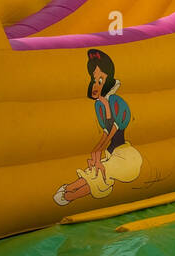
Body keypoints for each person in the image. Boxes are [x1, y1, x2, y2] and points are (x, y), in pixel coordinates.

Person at [53, 48, 143, 205]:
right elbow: (105, 133)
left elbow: (112, 133)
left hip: (127, 157)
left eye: (100, 80)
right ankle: (67, 195)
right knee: (99, 176)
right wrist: (96, 155)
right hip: (112, 156)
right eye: (94, 80)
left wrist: (97, 155)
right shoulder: (99, 106)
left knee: (99, 172)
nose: (96, 85)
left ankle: (67, 191)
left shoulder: (116, 102)